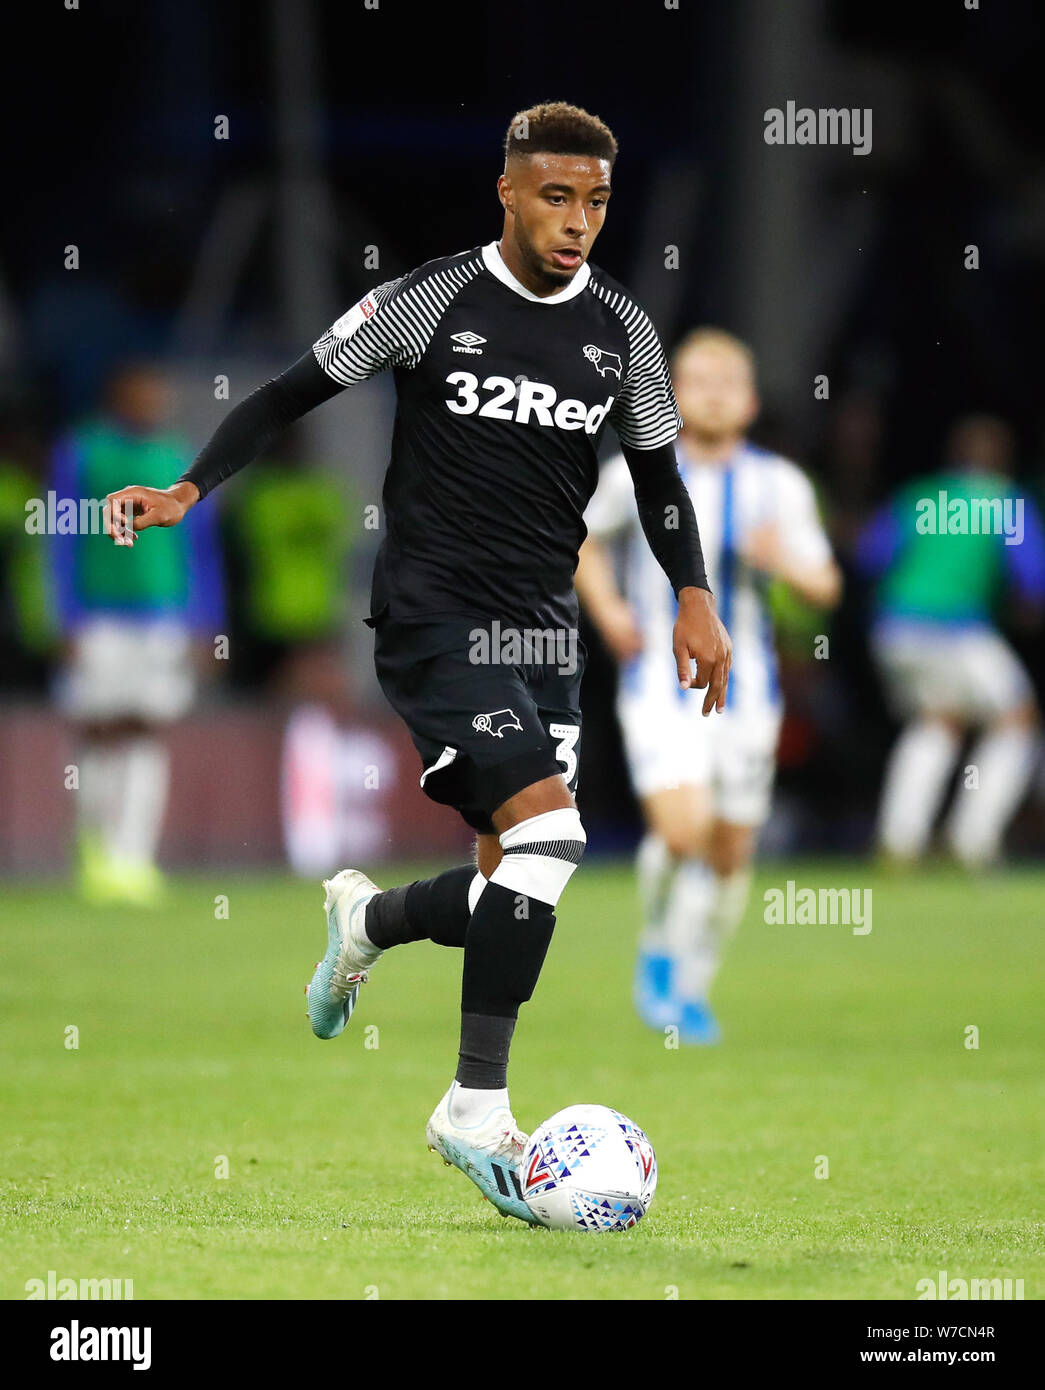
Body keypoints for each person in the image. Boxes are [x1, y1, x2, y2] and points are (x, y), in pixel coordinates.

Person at [104, 102, 731, 1222]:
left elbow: (657, 477)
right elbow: (287, 392)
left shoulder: (625, 333)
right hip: (436, 618)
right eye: (555, 196)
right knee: (553, 838)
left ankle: (369, 922)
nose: (577, 221)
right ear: (507, 192)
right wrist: (189, 488)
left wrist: (693, 593)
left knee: (507, 882)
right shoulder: (431, 299)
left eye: (595, 201)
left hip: (544, 633)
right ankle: (473, 1111)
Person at [576, 329, 841, 1041]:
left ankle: (691, 986)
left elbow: (825, 586)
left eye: (729, 383)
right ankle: (658, 950)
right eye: (699, 380)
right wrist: (610, 612)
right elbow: (581, 538)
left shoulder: (777, 485)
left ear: (750, 402)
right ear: (671, 394)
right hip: (660, 685)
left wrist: (781, 560)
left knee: (729, 853)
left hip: (748, 695)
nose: (715, 394)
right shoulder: (637, 472)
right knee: (682, 828)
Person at [51, 363, 225, 905]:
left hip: (162, 615)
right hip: (99, 614)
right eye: (145, 393)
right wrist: (64, 616)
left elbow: (200, 549)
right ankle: (94, 847)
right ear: (119, 396)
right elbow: (59, 536)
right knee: (100, 728)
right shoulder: (83, 452)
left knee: (147, 730)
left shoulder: (179, 459)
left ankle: (133, 857)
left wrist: (206, 623)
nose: (156, 402)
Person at [858, 415, 1045, 868]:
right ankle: (972, 839)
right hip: (956, 628)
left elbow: (868, 557)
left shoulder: (918, 496)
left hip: (894, 628)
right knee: (1017, 720)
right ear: (1002, 462)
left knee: (937, 721)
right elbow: (1032, 578)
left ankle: (899, 840)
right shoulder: (1004, 501)